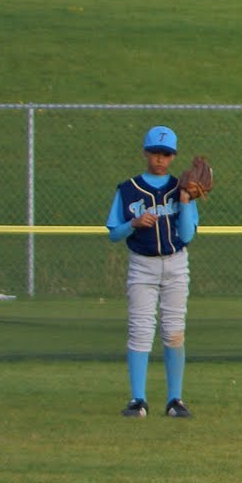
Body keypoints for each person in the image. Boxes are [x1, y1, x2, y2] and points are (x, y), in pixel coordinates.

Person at [105, 125, 200, 418]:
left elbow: (186, 235)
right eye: (155, 152)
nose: (160, 158)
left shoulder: (180, 189)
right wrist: (132, 224)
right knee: (141, 330)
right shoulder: (128, 189)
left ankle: (175, 400)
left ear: (173, 157)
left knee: (173, 331)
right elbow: (113, 233)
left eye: (166, 154)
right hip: (142, 264)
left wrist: (185, 202)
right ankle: (138, 400)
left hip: (175, 262)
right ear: (145, 152)